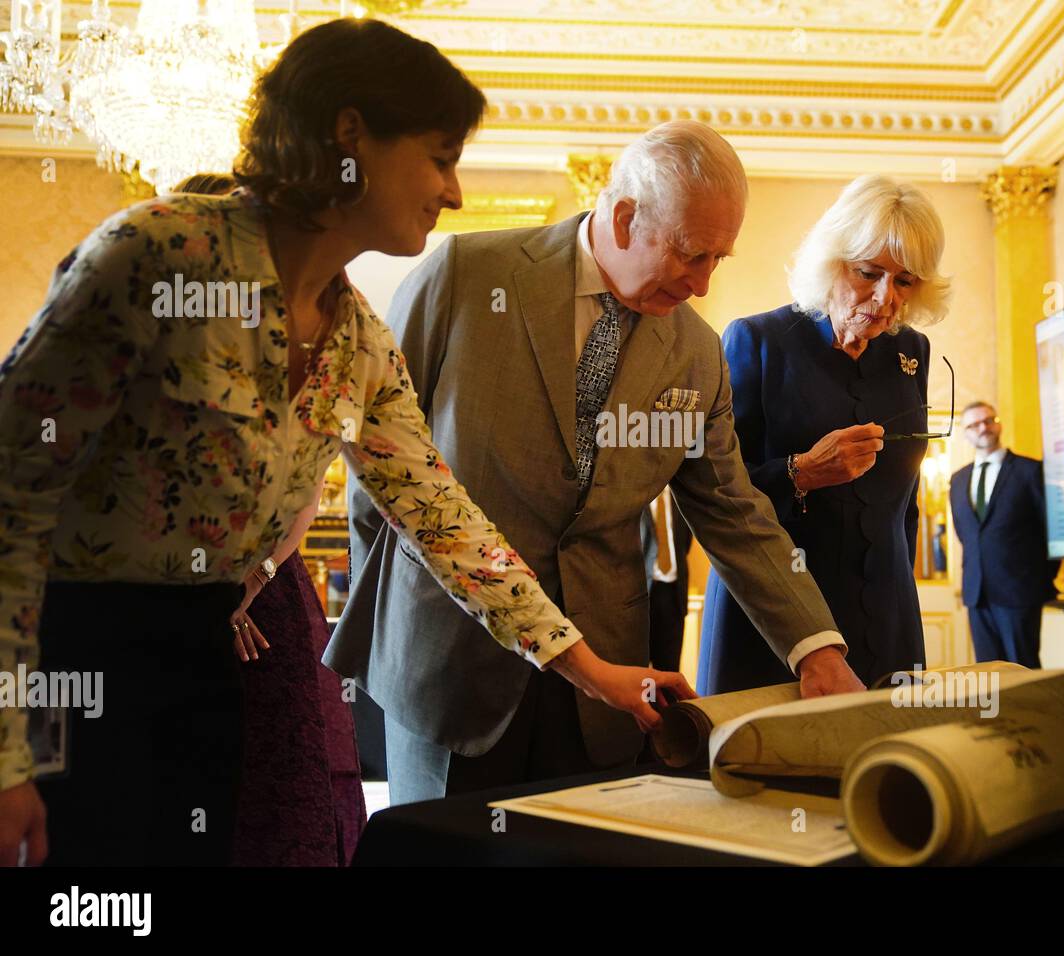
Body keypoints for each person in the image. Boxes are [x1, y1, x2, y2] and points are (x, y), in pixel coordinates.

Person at [0, 18, 686, 868]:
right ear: (350, 135)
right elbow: (11, 496)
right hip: (69, 663)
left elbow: (445, 522)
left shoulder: (358, 338)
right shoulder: (158, 252)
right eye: (440, 156)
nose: (456, 191)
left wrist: (595, 673)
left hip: (206, 668)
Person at [327, 120, 867, 804]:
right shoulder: (465, 275)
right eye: (691, 254)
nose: (702, 285)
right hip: (450, 662)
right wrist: (391, 616)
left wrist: (815, 647)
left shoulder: (699, 355)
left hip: (606, 681)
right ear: (622, 217)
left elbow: (733, 511)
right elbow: (379, 467)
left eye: (717, 261)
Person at [171, 171, 366, 866]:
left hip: (267, 601)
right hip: (160, 596)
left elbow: (308, 488)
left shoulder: (312, 342)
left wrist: (248, 584)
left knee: (275, 797)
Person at [698, 174, 951, 693]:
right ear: (830, 260)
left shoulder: (914, 354)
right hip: (776, 618)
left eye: (904, 281)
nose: (885, 298)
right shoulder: (757, 340)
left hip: (886, 612)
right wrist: (802, 473)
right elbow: (715, 492)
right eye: (868, 272)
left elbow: (906, 501)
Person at [950, 401, 1060, 668]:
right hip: (977, 593)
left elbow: (1052, 531)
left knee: (1022, 671)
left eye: (988, 420)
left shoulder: (1030, 471)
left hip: (1019, 592)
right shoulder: (958, 479)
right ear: (965, 433)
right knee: (987, 673)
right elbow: (966, 533)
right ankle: (995, 714)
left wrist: (1039, 579)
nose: (983, 428)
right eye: (974, 425)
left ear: (998, 423)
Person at [641, 490, 693, 673]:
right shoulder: (637, 496)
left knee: (669, 671)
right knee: (641, 672)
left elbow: (685, 543)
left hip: (674, 594)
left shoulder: (680, 497)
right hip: (642, 595)